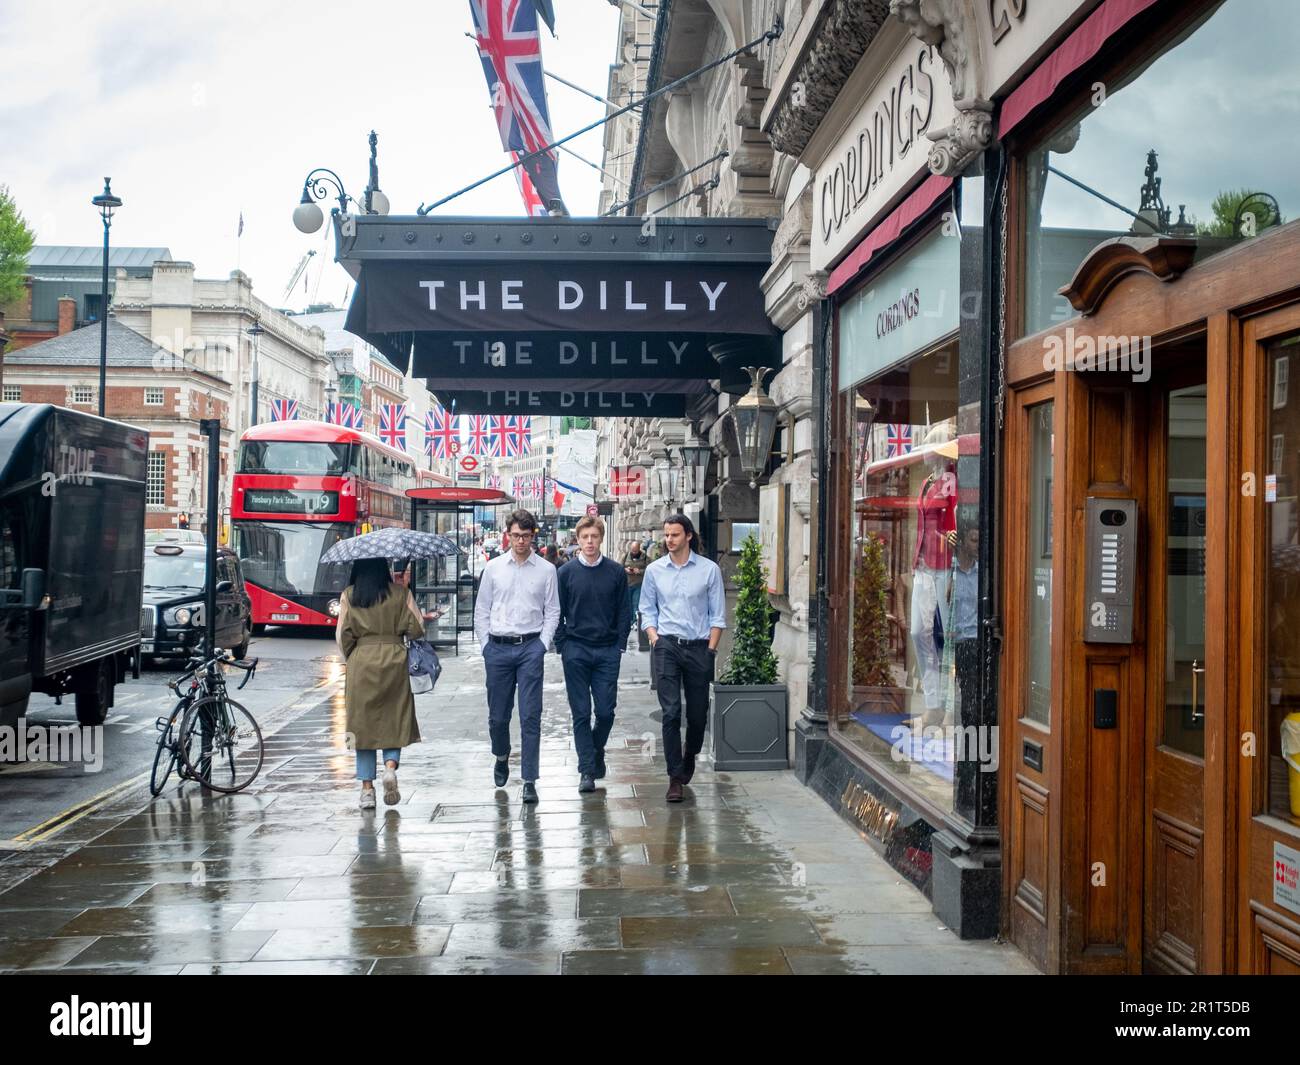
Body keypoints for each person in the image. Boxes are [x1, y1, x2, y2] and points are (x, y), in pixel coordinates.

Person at [474, 508, 559, 804]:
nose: (520, 541)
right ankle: (501, 754)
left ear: (533, 536)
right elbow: (481, 609)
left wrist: (542, 644)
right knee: (498, 717)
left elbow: (553, 611)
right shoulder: (494, 568)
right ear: (507, 535)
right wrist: (485, 645)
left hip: (530, 648)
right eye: (515, 535)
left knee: (530, 715)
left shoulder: (547, 570)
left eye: (525, 536)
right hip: (497, 648)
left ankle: (529, 779)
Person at [640, 513, 726, 803]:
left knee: (698, 715)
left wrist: (711, 649)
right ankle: (674, 777)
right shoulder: (654, 570)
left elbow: (718, 615)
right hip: (667, 646)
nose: (669, 540)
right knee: (671, 712)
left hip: (700, 646)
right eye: (666, 535)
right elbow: (647, 610)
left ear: (688, 535)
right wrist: (654, 638)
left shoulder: (709, 570)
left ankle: (691, 753)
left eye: (675, 535)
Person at [335, 558, 426, 810]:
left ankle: (366, 790)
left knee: (361, 726)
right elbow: (418, 628)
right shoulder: (400, 593)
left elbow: (343, 636)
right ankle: (389, 768)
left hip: (361, 663)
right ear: (383, 569)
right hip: (394, 661)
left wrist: (352, 659)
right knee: (394, 718)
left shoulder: (349, 595)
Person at [556, 516, 630, 793]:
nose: (589, 542)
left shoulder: (615, 572)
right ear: (578, 539)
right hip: (576, 649)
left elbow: (624, 610)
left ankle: (596, 750)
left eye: (594, 537)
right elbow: (557, 611)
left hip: (608, 649)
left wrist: (620, 644)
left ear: (600, 538)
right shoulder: (565, 573)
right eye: (584, 537)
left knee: (606, 711)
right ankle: (587, 770)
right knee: (581, 713)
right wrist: (563, 645)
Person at [621, 539, 647, 630]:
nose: (634, 552)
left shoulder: (645, 557)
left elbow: (649, 570)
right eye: (632, 550)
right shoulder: (625, 556)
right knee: (628, 604)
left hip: (638, 584)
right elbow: (620, 567)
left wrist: (639, 571)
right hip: (627, 584)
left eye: (635, 550)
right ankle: (630, 621)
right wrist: (626, 569)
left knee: (636, 603)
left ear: (639, 549)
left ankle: (636, 622)